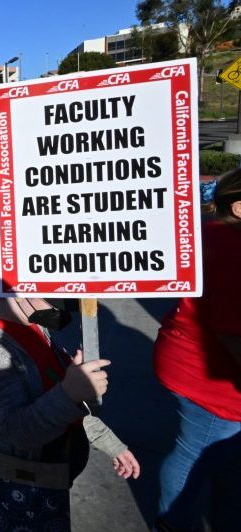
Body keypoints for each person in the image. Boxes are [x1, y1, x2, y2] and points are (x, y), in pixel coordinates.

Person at [0, 297, 140, 530]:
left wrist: (108, 441)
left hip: (48, 481)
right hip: (14, 490)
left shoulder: (31, 322)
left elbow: (55, 394)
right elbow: (18, 432)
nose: (60, 312)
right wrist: (69, 392)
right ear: (22, 289)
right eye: (56, 303)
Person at [153, 169, 241, 532]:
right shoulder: (231, 247)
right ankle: (173, 523)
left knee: (222, 458)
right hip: (206, 377)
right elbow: (233, 334)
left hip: (186, 357)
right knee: (197, 452)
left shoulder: (211, 231)